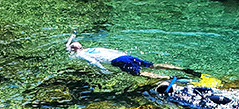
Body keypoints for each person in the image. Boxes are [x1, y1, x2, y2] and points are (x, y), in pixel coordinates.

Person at [66, 32, 197, 79]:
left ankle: (171, 77)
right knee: (151, 65)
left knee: (140, 74)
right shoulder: (93, 48)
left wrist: (104, 71)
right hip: (126, 56)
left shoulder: (81, 55)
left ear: (74, 50)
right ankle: (182, 69)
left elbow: (93, 63)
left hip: (118, 61)